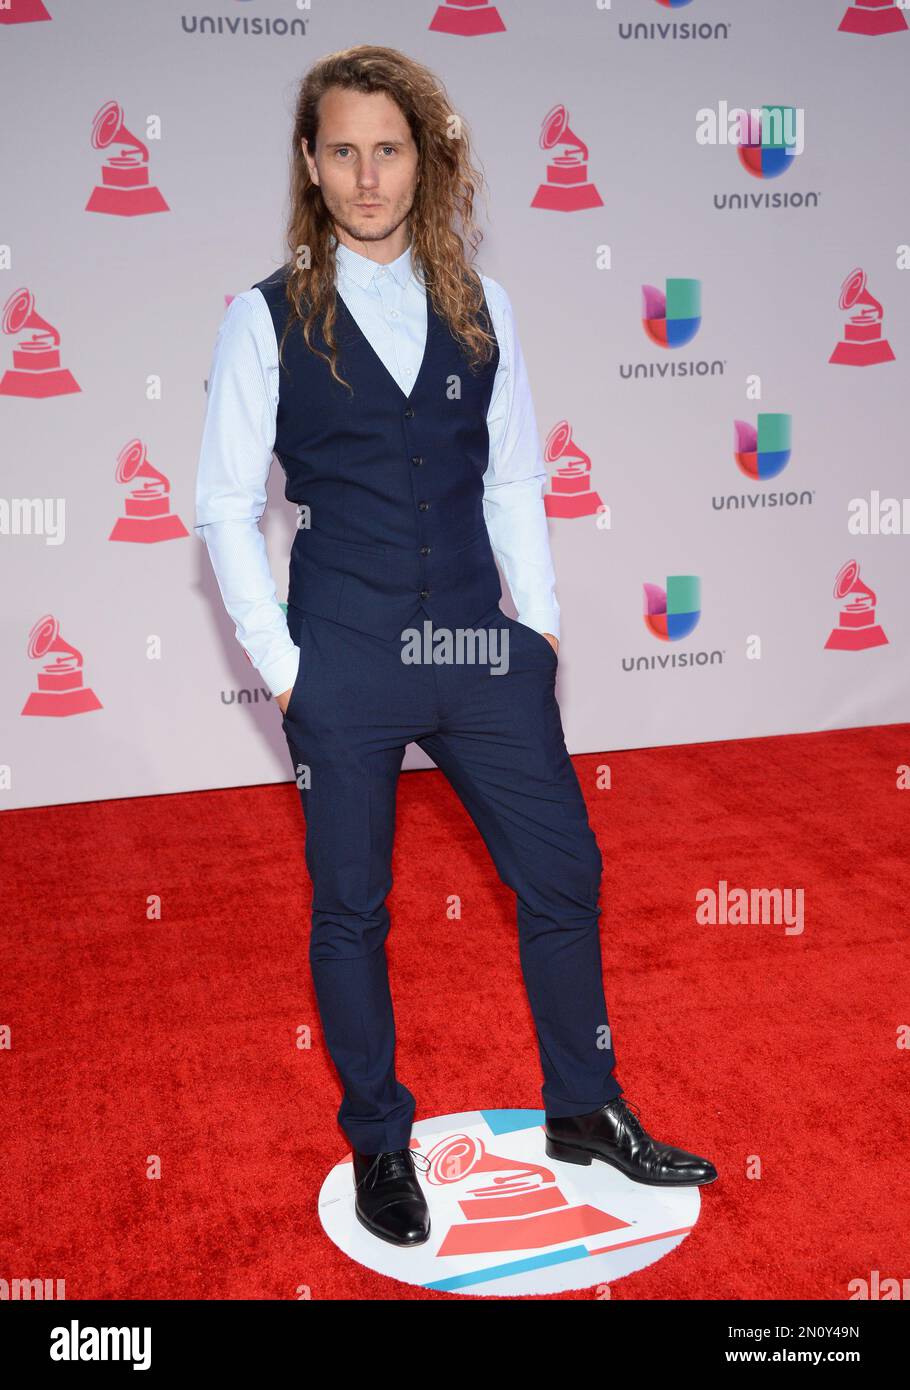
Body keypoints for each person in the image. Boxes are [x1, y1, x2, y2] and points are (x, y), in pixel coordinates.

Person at [195, 44, 717, 1249]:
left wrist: (534, 631)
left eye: (389, 148)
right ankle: (380, 1137)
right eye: (343, 151)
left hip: (484, 646)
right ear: (310, 167)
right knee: (352, 906)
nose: (368, 175)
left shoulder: (486, 306)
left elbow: (518, 473)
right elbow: (225, 506)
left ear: (423, 161)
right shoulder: (262, 318)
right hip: (348, 651)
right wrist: (288, 669)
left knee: (564, 874)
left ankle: (584, 1108)